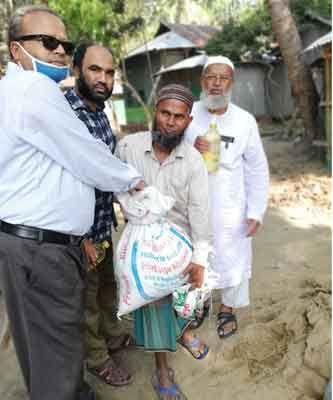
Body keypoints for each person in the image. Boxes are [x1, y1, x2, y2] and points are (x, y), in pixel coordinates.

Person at [0, 6, 144, 400]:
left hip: (40, 242)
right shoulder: (35, 90)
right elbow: (85, 155)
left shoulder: (16, 93)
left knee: (50, 346)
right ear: (16, 50)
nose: (59, 51)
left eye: (64, 43)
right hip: (42, 248)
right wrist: (134, 180)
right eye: (48, 43)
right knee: (59, 345)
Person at [116, 84, 211, 400]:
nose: (170, 122)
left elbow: (199, 211)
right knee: (155, 305)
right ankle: (162, 369)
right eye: (165, 113)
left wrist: (199, 258)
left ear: (188, 119)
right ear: (154, 112)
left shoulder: (193, 160)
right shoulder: (129, 147)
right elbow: (110, 185)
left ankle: (184, 332)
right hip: (143, 248)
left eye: (178, 117)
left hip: (180, 246)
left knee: (185, 298)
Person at [184, 55, 269, 339]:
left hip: (231, 207)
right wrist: (188, 146)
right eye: (211, 77)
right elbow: (165, 148)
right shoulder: (188, 114)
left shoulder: (244, 121)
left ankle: (227, 310)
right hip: (192, 205)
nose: (216, 84)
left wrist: (255, 211)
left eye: (223, 78)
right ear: (202, 81)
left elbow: (257, 168)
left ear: (231, 83)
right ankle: (201, 302)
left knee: (232, 260)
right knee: (196, 255)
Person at [65, 42, 133, 386]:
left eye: (109, 72)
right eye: (95, 70)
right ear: (76, 69)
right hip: (82, 232)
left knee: (108, 285)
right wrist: (83, 238)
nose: (103, 79)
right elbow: (66, 180)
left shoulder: (98, 111)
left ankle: (114, 334)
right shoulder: (66, 115)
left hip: (103, 223)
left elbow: (107, 169)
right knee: (87, 298)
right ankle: (96, 358)